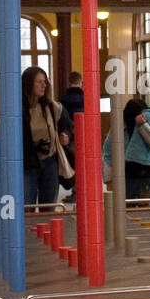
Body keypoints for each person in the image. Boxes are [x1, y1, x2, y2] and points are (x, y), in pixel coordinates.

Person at [4, 65, 72, 206]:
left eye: (45, 81)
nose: (43, 85)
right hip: (27, 164)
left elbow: (68, 125)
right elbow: (1, 134)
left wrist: (65, 135)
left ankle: (46, 229)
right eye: (39, 82)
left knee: (49, 205)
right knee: (27, 205)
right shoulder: (16, 110)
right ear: (29, 84)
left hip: (50, 162)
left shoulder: (52, 107)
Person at [105, 98, 150, 201]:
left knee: (143, 208)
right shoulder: (119, 126)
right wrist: (109, 178)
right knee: (128, 208)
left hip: (146, 173)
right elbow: (109, 152)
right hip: (127, 174)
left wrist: (143, 125)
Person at [58, 71, 84, 203]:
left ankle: (75, 193)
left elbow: (62, 117)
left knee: (74, 162)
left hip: (69, 135)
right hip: (83, 133)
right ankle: (80, 193)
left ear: (69, 82)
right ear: (80, 82)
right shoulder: (85, 97)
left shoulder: (64, 98)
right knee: (83, 163)